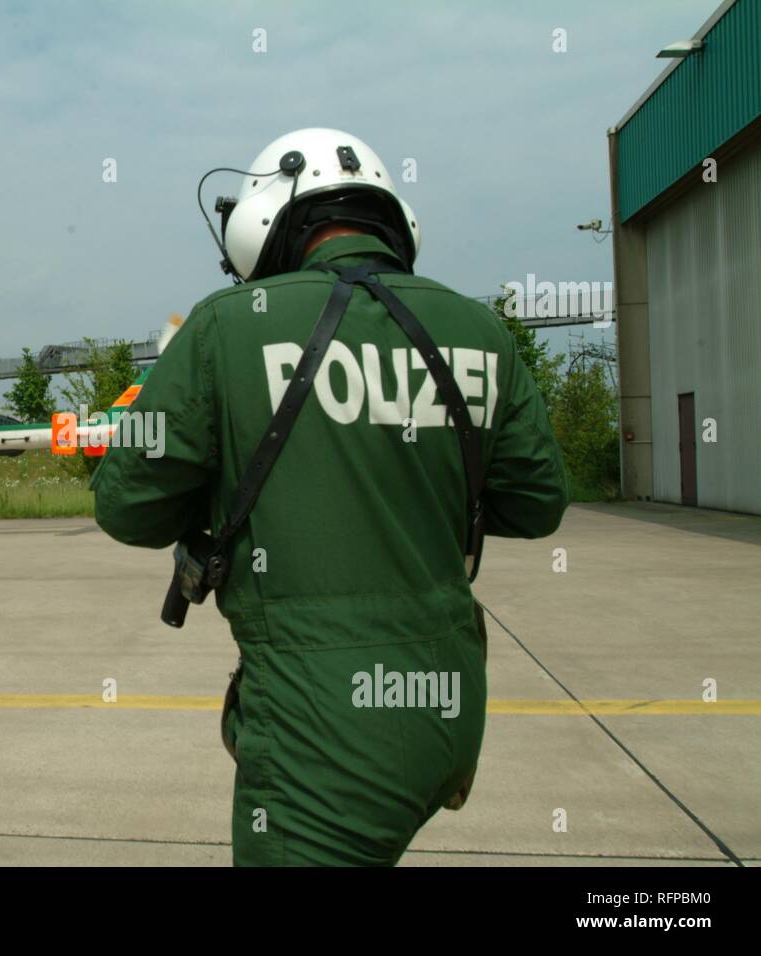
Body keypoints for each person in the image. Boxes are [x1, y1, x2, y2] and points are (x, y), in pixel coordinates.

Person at [91, 128, 568, 866]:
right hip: (448, 706)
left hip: (322, 729)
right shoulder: (482, 329)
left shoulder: (224, 325)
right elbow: (536, 503)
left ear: (264, 221)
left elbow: (126, 505)